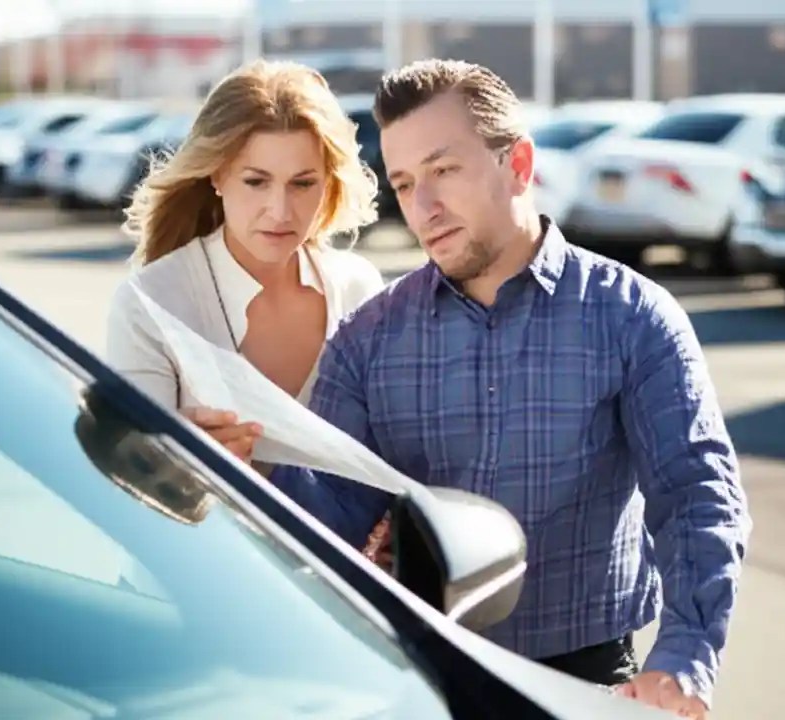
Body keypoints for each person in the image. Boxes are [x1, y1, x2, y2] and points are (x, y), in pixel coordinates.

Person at [267, 59, 752, 719]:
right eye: (405, 183)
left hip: (589, 682)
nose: (424, 208)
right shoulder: (367, 341)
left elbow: (697, 498)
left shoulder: (633, 316)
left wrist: (683, 659)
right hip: (419, 681)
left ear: (518, 164)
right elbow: (311, 521)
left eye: (444, 170)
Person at [105, 59, 384, 466]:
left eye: (303, 183)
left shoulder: (359, 288)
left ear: (329, 182)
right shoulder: (149, 302)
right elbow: (128, 469)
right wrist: (177, 458)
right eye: (256, 181)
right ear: (217, 175)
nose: (280, 210)